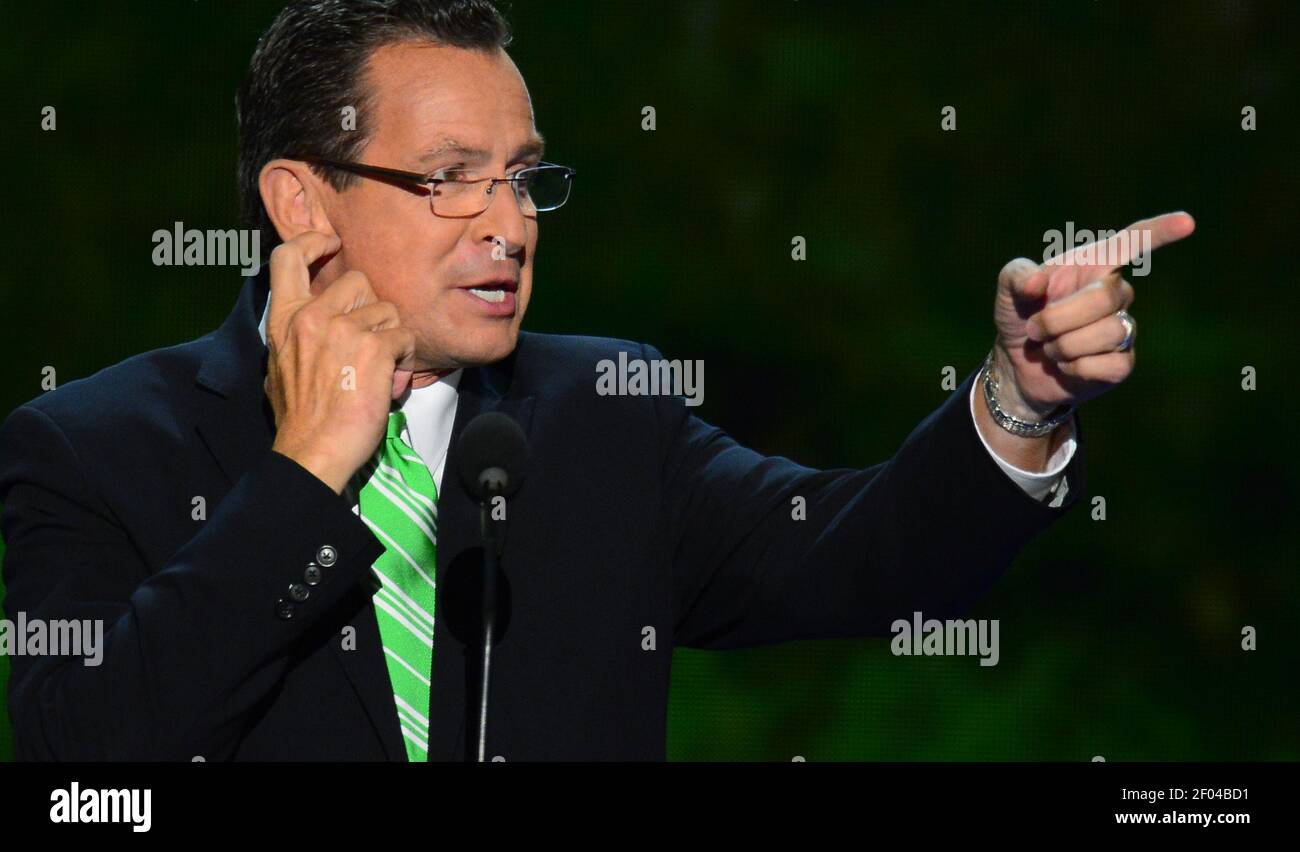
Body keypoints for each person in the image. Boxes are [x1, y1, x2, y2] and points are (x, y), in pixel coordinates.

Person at [0, 0, 1193, 761]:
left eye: (524, 178)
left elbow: (858, 557)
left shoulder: (601, 411)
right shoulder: (87, 446)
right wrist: (307, 471)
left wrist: (1016, 399)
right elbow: (84, 770)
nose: (510, 226)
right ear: (301, 202)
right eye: (453, 178)